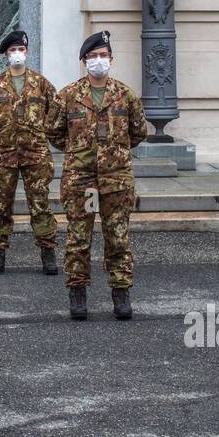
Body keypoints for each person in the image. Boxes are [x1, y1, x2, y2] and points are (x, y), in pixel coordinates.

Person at [45, 31, 148, 320]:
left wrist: (113, 152)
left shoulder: (124, 95)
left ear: (111, 60)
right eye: (93, 57)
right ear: (84, 61)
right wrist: (79, 150)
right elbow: (53, 131)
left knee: (117, 238)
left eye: (103, 56)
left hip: (116, 181)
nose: (98, 61)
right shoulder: (68, 96)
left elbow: (139, 132)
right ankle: (77, 293)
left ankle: (121, 292)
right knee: (79, 238)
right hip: (81, 181)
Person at [0, 30, 59, 276]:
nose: (17, 54)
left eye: (20, 50)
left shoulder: (42, 84)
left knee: (40, 204)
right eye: (12, 50)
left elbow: (56, 115)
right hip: (4, 156)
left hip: (36, 155)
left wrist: (45, 135)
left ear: (27, 51)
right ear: (6, 54)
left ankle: (48, 253)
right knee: (1, 207)